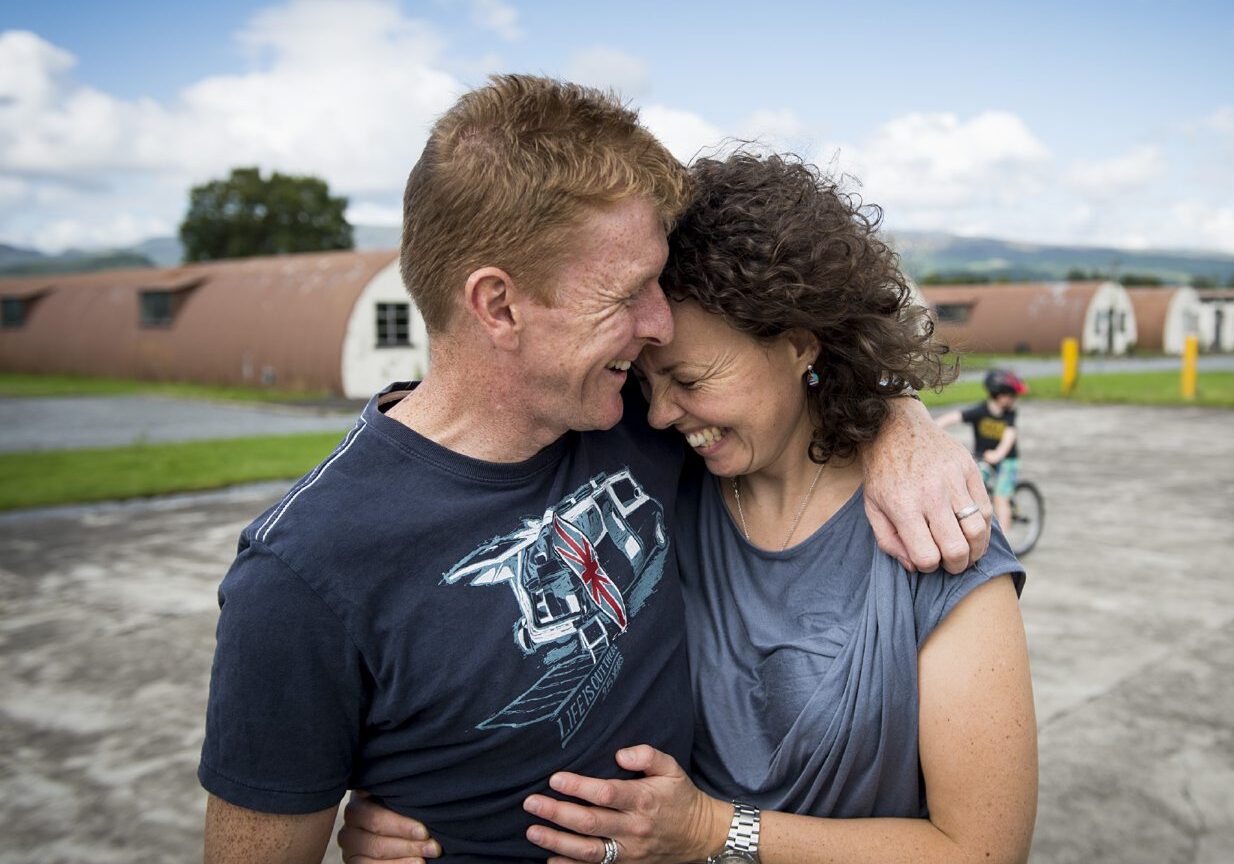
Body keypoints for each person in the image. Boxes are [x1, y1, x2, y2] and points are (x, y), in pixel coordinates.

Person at [198, 78, 995, 863]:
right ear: (499, 306)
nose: (657, 326)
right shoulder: (303, 575)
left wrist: (899, 421)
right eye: (629, 293)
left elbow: (784, 376)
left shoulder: (631, 426)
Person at [937, 369, 1026, 535]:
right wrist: (932, 428)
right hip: (984, 458)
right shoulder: (981, 411)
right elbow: (954, 417)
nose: (1014, 400)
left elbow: (1010, 434)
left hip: (1007, 460)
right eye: (1011, 395)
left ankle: (1005, 541)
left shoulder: (1009, 414)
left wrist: (999, 453)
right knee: (971, 487)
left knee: (1001, 498)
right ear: (1000, 394)